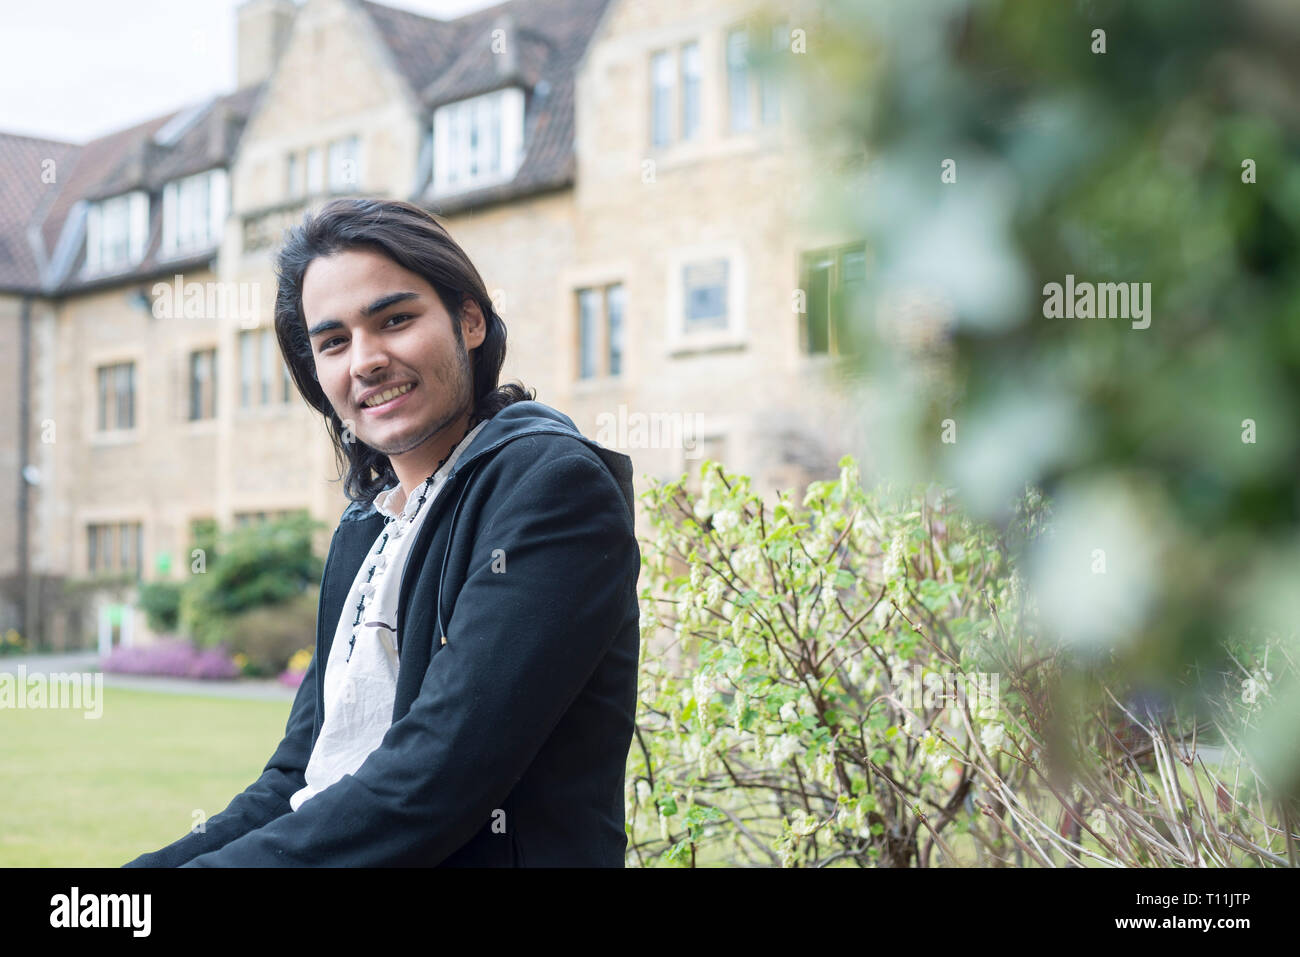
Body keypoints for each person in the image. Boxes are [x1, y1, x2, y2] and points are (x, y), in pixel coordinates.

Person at [123, 198, 641, 866]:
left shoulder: (550, 488)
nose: (365, 360)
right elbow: (299, 778)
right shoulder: (366, 529)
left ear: (470, 319)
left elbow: (434, 778)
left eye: (394, 319)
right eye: (333, 341)